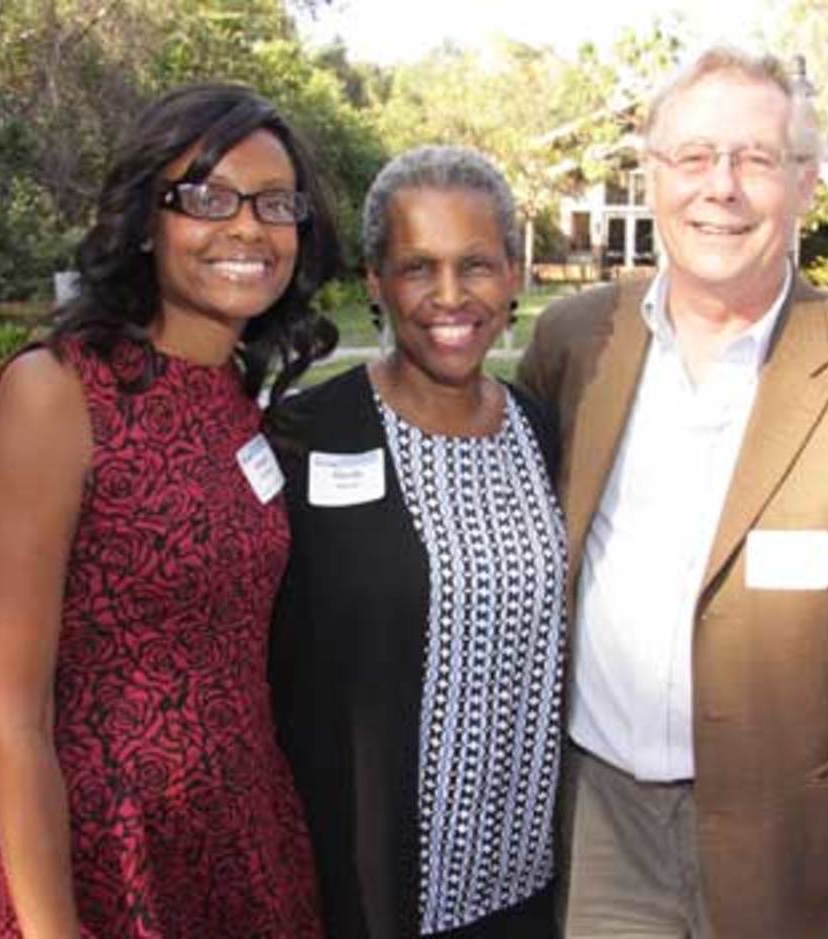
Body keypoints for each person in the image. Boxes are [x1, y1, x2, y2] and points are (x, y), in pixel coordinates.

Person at [517, 47, 828, 939]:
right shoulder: (579, 340)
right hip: (602, 823)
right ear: (654, 176)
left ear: (805, 184)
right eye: (693, 157)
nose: (721, 187)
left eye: (756, 159)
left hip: (797, 847)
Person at [0, 82, 339, 936]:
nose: (247, 227)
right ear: (143, 220)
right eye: (206, 198)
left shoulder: (234, 394)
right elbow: (15, 713)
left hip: (241, 831)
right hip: (98, 845)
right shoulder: (56, 391)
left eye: (275, 203)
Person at [269, 145, 568, 938]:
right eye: (416, 267)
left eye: (475, 265)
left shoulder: (545, 433)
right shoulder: (303, 436)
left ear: (512, 273)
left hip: (527, 878)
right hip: (364, 888)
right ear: (376, 280)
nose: (448, 296)